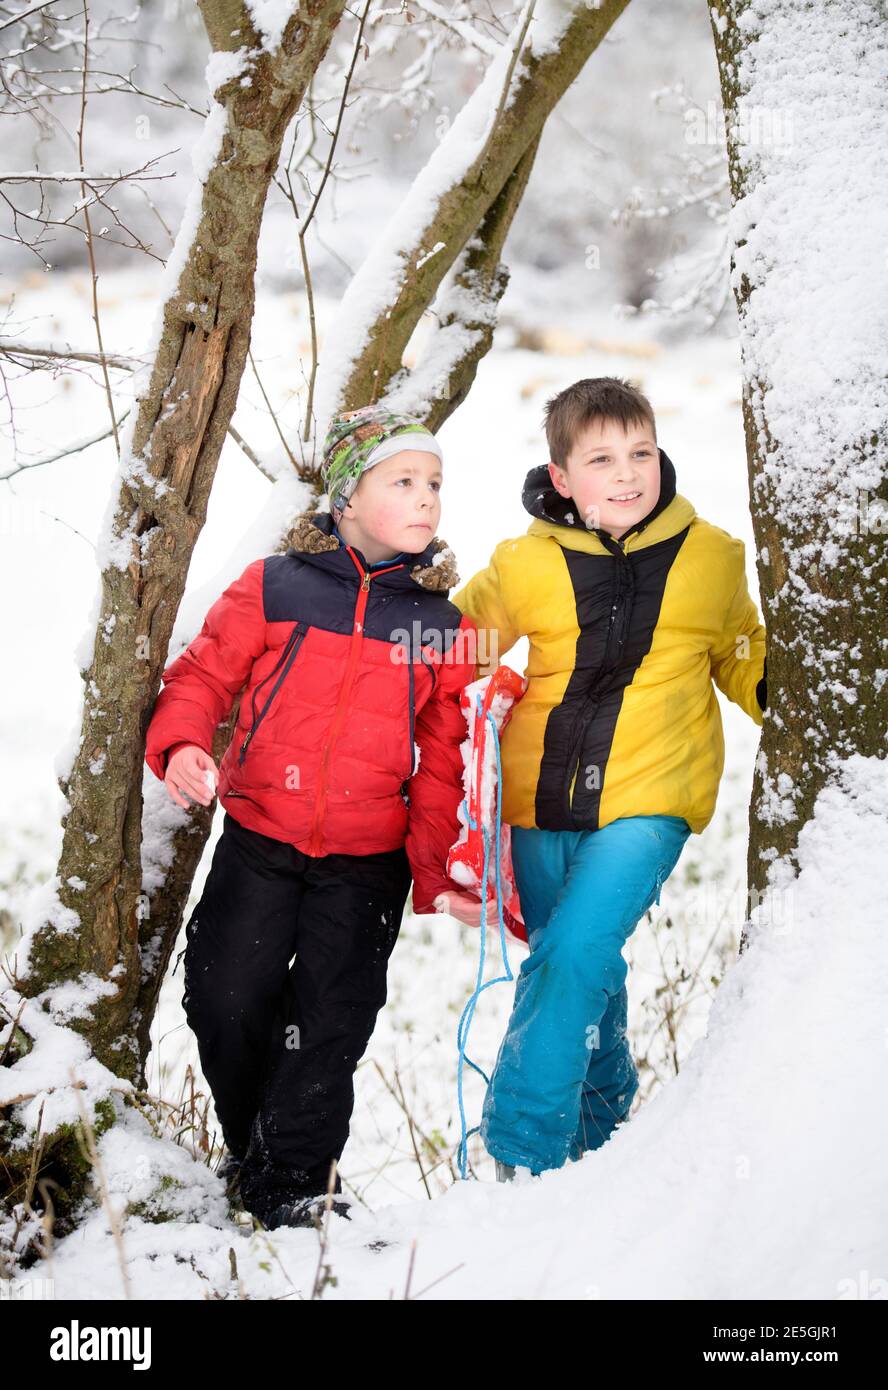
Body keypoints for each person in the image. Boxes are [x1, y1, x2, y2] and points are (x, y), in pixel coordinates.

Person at [144, 404, 486, 1228]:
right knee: (225, 998)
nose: (427, 499)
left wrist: (439, 874)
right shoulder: (275, 585)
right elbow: (201, 678)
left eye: (434, 484)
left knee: (328, 1026)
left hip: (367, 864)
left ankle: (298, 1189)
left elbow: (447, 765)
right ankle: (255, 1152)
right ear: (344, 498)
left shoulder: (448, 626)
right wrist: (184, 743)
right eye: (403, 481)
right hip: (260, 838)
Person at [450, 376, 767, 1180]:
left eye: (641, 452)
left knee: (576, 952)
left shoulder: (711, 557)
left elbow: (741, 657)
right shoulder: (526, 565)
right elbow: (452, 648)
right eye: (601, 459)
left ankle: (521, 1158)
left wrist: (787, 695)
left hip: (653, 798)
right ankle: (605, 1140)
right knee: (580, 966)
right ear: (562, 479)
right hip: (538, 803)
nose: (628, 473)